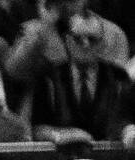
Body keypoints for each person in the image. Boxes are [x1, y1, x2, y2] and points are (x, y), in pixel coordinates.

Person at [25, 12, 135, 147]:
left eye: (92, 39)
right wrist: (60, 135)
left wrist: (126, 131)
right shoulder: (48, 77)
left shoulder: (119, 77)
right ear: (67, 40)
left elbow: (126, 120)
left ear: (102, 43)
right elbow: (37, 128)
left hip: (109, 158)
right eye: (78, 38)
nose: (85, 44)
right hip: (61, 158)